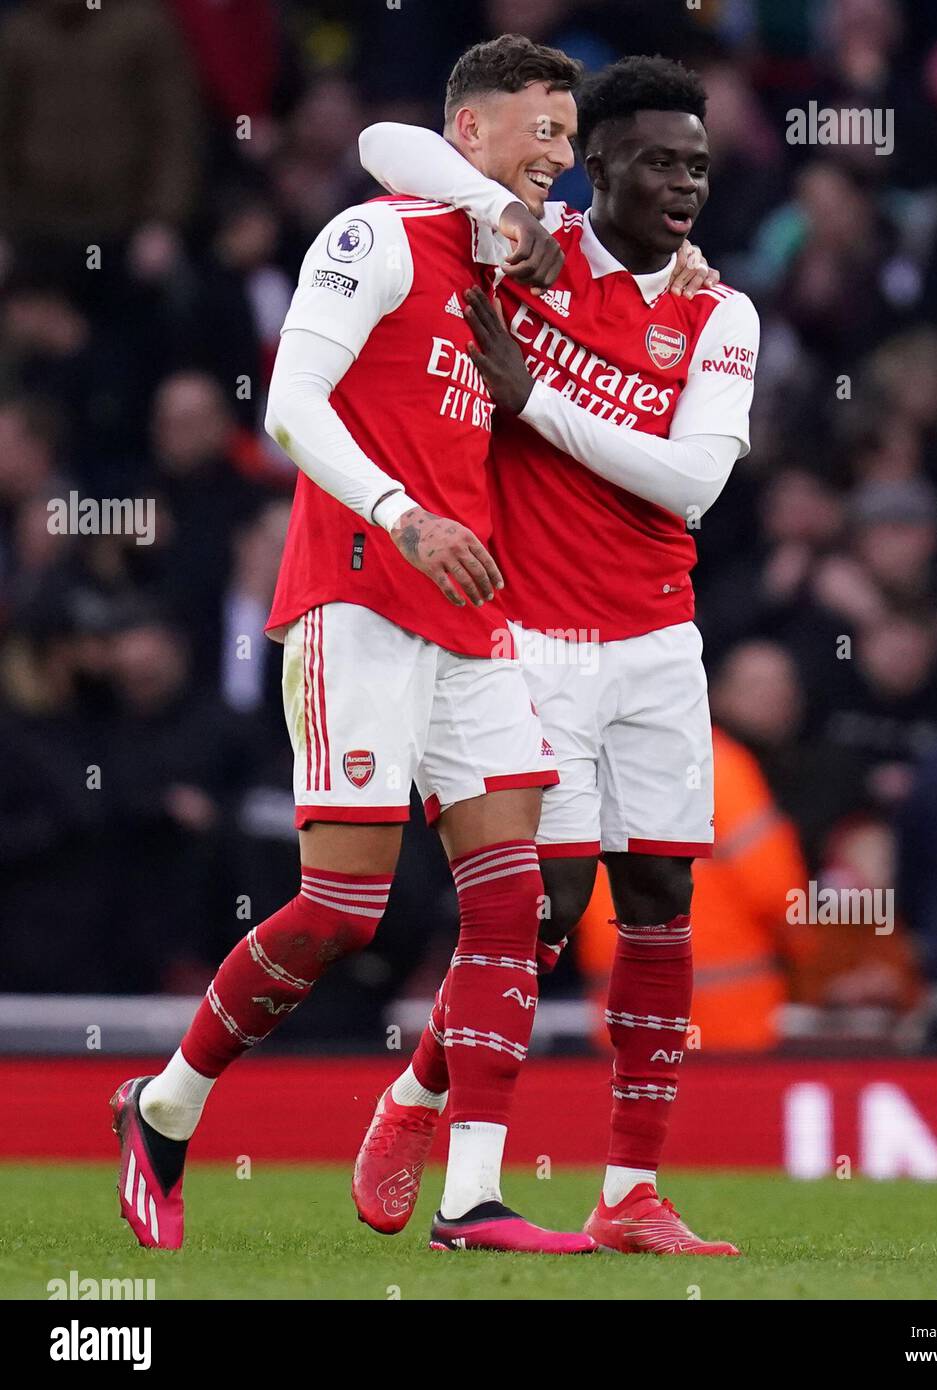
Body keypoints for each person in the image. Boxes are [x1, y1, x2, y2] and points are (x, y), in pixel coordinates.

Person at [109, 33, 597, 1256]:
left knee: (515, 905)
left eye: (568, 137)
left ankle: (470, 1193)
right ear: (471, 135)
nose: (558, 159)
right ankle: (165, 1106)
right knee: (340, 910)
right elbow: (287, 406)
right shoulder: (375, 235)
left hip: (473, 615)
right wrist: (403, 513)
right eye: (538, 132)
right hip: (361, 594)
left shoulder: (516, 271)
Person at [354, 51, 759, 1254]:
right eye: (653, 162)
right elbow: (385, 143)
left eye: (696, 164)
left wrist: (535, 404)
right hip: (527, 637)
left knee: (661, 901)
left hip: (657, 638)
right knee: (546, 906)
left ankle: (629, 1193)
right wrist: (495, 210)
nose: (682, 185)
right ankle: (422, 1099)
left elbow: (692, 483)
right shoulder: (523, 253)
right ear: (597, 167)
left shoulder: (718, 308)